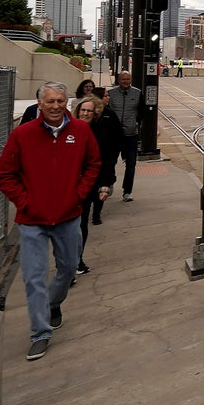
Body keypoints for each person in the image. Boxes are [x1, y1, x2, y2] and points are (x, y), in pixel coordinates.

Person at [0, 81, 101, 360]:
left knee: (68, 269)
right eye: (50, 101)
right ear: (40, 104)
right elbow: (5, 174)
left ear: (67, 102)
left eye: (60, 101)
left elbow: (93, 164)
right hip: (32, 221)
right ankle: (40, 332)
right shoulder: (23, 134)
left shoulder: (80, 131)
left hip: (68, 217)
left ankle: (53, 304)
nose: (55, 106)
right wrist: (25, 202)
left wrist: (78, 195)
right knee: (34, 278)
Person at [73, 94, 114, 270]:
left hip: (87, 185)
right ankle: (69, 262)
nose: (85, 114)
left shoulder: (99, 134)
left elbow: (105, 160)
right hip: (67, 184)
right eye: (83, 110)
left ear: (95, 113)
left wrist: (105, 184)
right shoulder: (67, 129)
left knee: (81, 224)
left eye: (89, 111)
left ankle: (77, 261)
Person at [107, 69, 144, 202]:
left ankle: (127, 191)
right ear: (118, 80)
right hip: (114, 135)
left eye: (128, 79)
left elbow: (141, 112)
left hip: (130, 134)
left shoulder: (137, 93)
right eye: (123, 79)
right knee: (110, 161)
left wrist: (135, 124)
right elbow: (107, 111)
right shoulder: (110, 93)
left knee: (131, 163)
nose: (125, 82)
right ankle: (110, 181)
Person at [89, 89, 123, 226]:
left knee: (101, 186)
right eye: (105, 95)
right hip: (89, 159)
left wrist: (115, 154)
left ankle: (96, 214)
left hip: (105, 158)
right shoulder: (88, 115)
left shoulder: (110, 114)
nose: (108, 97)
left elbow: (118, 134)